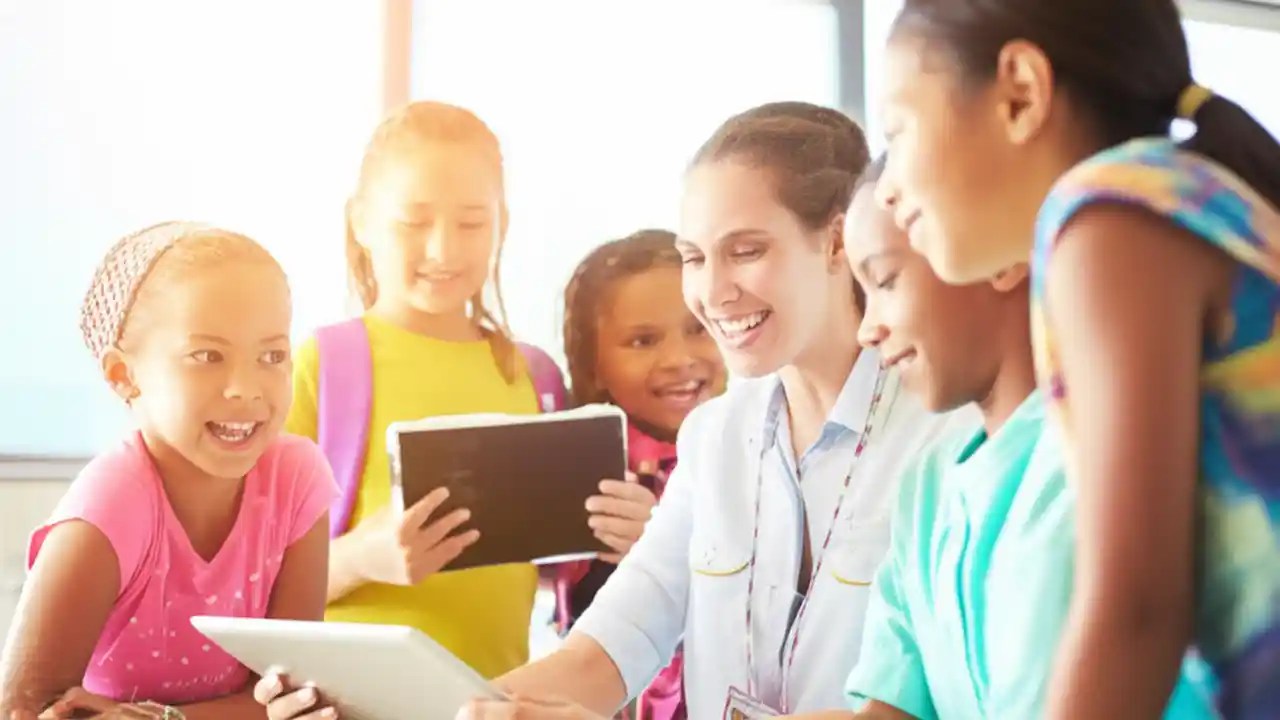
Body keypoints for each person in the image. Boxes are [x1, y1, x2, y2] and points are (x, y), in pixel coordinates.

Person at [420, 103, 971, 720]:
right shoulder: (714, 438)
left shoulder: (946, 435)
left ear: (837, 241)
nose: (713, 291)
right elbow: (605, 649)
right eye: (695, 257)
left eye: (745, 250)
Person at [874, 1, 1280, 717]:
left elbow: (1137, 608)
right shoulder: (1186, 200)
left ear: (1020, 92)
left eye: (898, 131)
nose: (886, 186)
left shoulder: (1109, 218)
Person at [788, 161, 1213, 720]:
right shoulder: (925, 488)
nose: (869, 329)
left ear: (1003, 258)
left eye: (887, 282)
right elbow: (892, 711)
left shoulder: (1105, 450)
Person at [282, 100, 572, 681]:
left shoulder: (535, 378)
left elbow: (545, 572)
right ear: (361, 221)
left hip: (494, 699)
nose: (444, 250)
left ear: (502, 224)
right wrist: (362, 558)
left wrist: (618, 535)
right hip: (347, 700)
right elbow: (250, 583)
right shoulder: (323, 364)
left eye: (471, 223)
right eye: (414, 223)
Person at [0, 222, 338, 720]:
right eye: (207, 356)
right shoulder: (112, 503)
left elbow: (294, 698)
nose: (245, 387)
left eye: (272, 355)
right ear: (124, 375)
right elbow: (24, 707)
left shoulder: (297, 478)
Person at [555, 229, 727, 719]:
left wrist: (666, 542)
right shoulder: (576, 468)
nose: (679, 358)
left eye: (698, 327)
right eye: (643, 340)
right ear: (594, 366)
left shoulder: (750, 451)